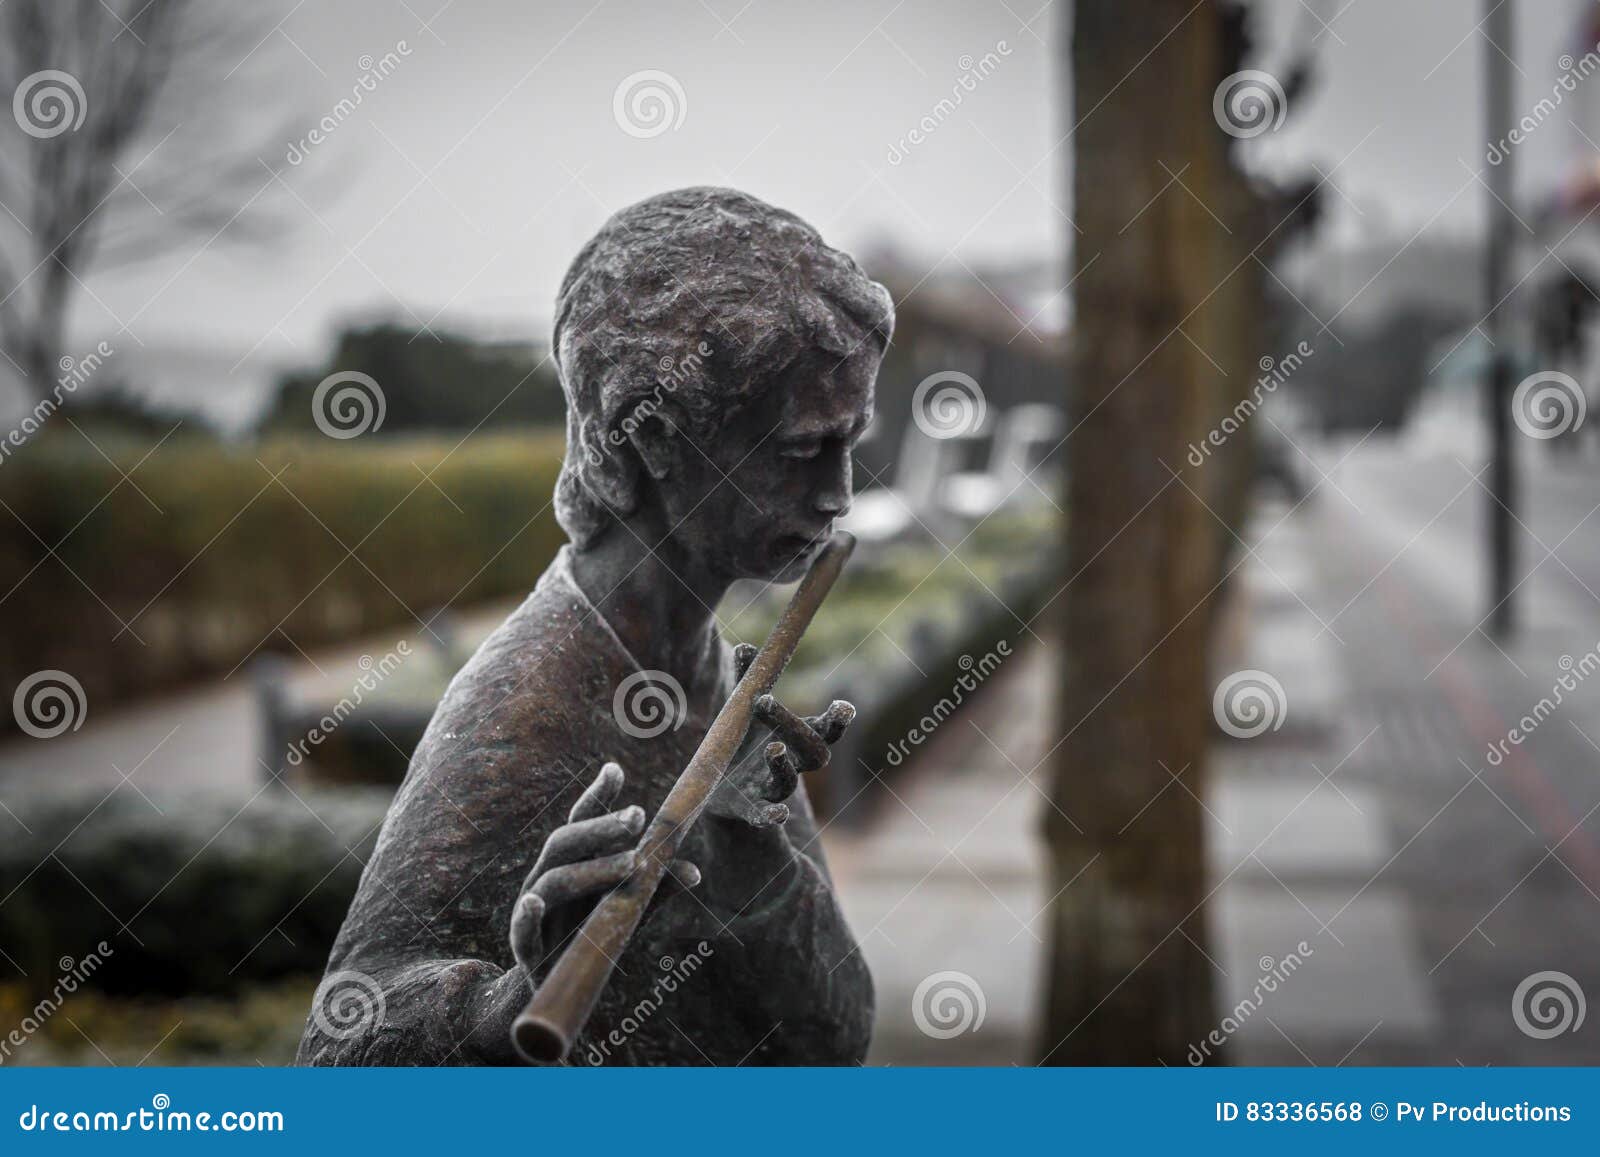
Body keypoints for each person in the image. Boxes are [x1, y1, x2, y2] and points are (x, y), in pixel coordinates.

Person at [297, 187, 894, 1065]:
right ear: (651, 438)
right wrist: (498, 1011)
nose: (841, 495)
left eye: (851, 444)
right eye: (803, 449)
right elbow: (331, 1063)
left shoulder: (713, 677)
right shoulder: (527, 704)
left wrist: (759, 876)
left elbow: (835, 1039)